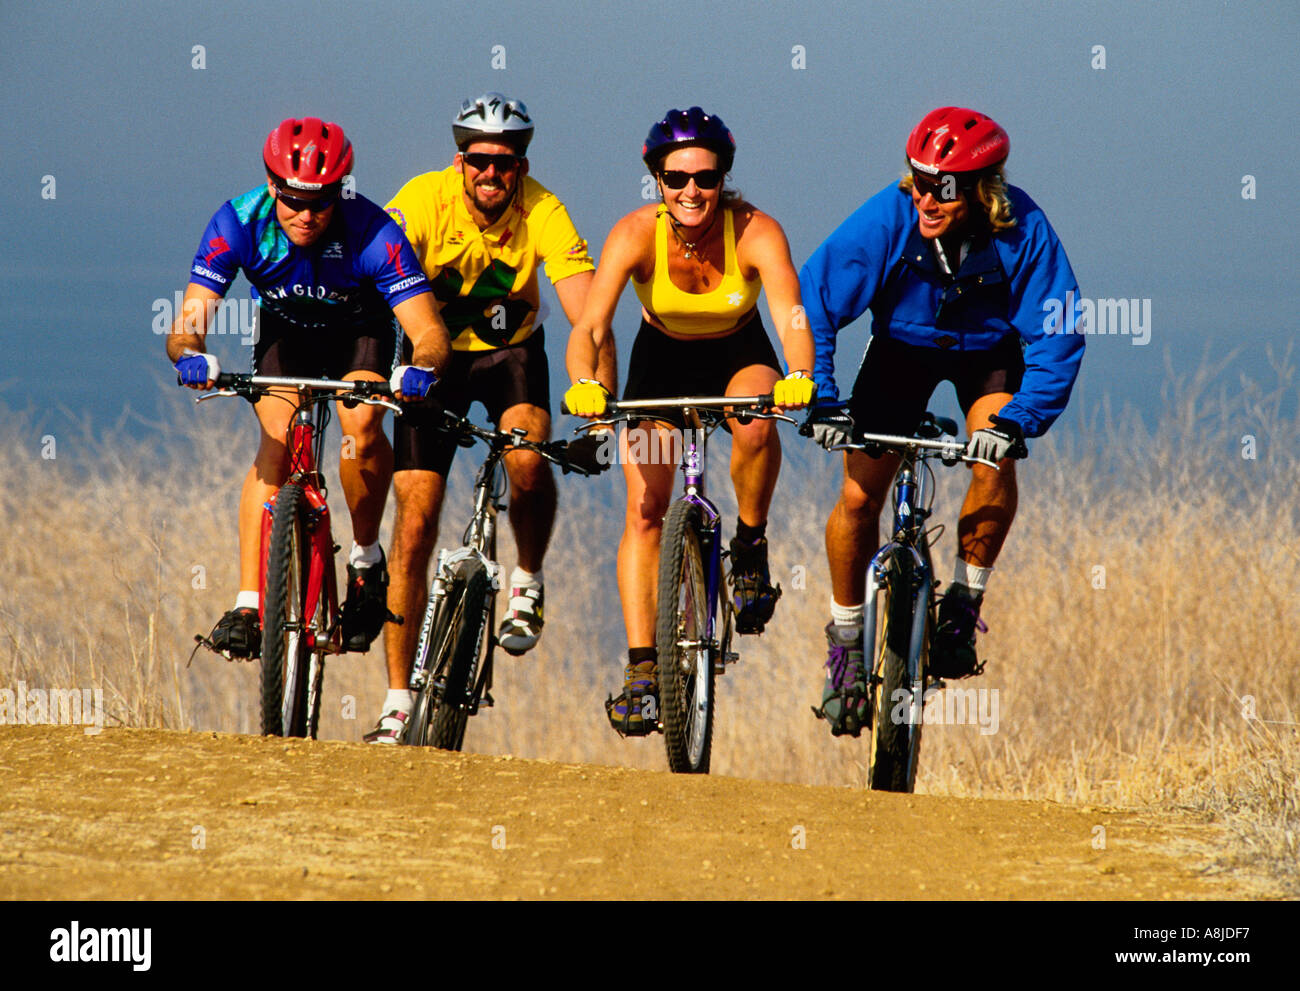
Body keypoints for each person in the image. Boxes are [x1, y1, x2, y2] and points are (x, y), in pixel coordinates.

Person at [800, 106, 1085, 736]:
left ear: (983, 189)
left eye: (943, 187)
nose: (926, 197)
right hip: (902, 346)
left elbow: (1058, 326)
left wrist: (1022, 418)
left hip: (989, 352)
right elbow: (814, 295)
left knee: (993, 454)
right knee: (856, 495)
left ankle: (963, 602)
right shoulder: (892, 214)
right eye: (919, 179)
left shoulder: (1022, 225)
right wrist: (821, 397)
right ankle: (846, 642)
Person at [565, 106, 816, 737]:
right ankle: (643, 669)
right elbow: (591, 326)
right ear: (656, 178)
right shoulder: (632, 234)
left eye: (705, 177)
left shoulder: (756, 231)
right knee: (646, 509)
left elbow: (789, 316)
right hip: (661, 360)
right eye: (676, 178)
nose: (690, 191)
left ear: (723, 177)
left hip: (738, 352)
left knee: (756, 424)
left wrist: (799, 374)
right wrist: (586, 384)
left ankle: (750, 548)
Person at [169, 117, 452, 660]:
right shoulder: (237, 222)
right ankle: (250, 604)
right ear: (273, 185)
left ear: (338, 192)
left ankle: (366, 560)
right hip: (287, 333)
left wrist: (422, 369)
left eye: (320, 202)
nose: (306, 214)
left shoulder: (374, 232)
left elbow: (430, 332)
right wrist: (191, 356)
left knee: (362, 428)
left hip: (358, 332)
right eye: (294, 199)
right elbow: (187, 324)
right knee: (275, 442)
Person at [364, 92, 596, 744]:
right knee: (413, 526)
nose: (492, 174)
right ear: (458, 159)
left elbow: (585, 307)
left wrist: (593, 382)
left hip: (512, 355)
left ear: (522, 163)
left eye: (507, 161)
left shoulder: (543, 208)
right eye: (479, 160)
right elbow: (372, 265)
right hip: (432, 361)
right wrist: (369, 361)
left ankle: (527, 576)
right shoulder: (424, 198)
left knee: (526, 459)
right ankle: (397, 699)